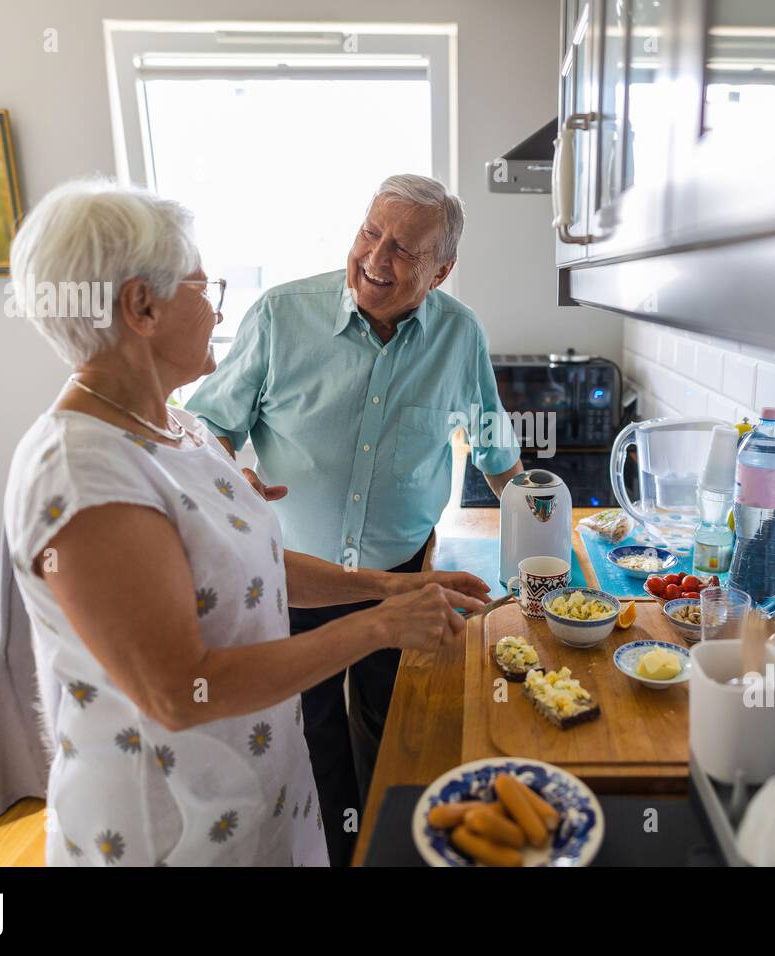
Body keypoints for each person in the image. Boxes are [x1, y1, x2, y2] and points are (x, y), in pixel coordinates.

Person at [2, 178, 488, 866]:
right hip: (169, 832)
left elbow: (258, 571)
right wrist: (379, 626)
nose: (219, 305)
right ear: (142, 306)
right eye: (204, 286)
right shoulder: (82, 470)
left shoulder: (177, 428)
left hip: (256, 808)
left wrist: (390, 590)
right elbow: (178, 691)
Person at [186, 174, 523, 864]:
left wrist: (541, 525)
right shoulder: (282, 316)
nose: (377, 258)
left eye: (404, 249)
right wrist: (229, 476)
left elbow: (496, 450)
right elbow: (207, 430)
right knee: (308, 734)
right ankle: (335, 852)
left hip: (396, 575)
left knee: (394, 729)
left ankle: (385, 847)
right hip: (291, 575)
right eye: (371, 233)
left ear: (442, 271)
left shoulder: (458, 336)